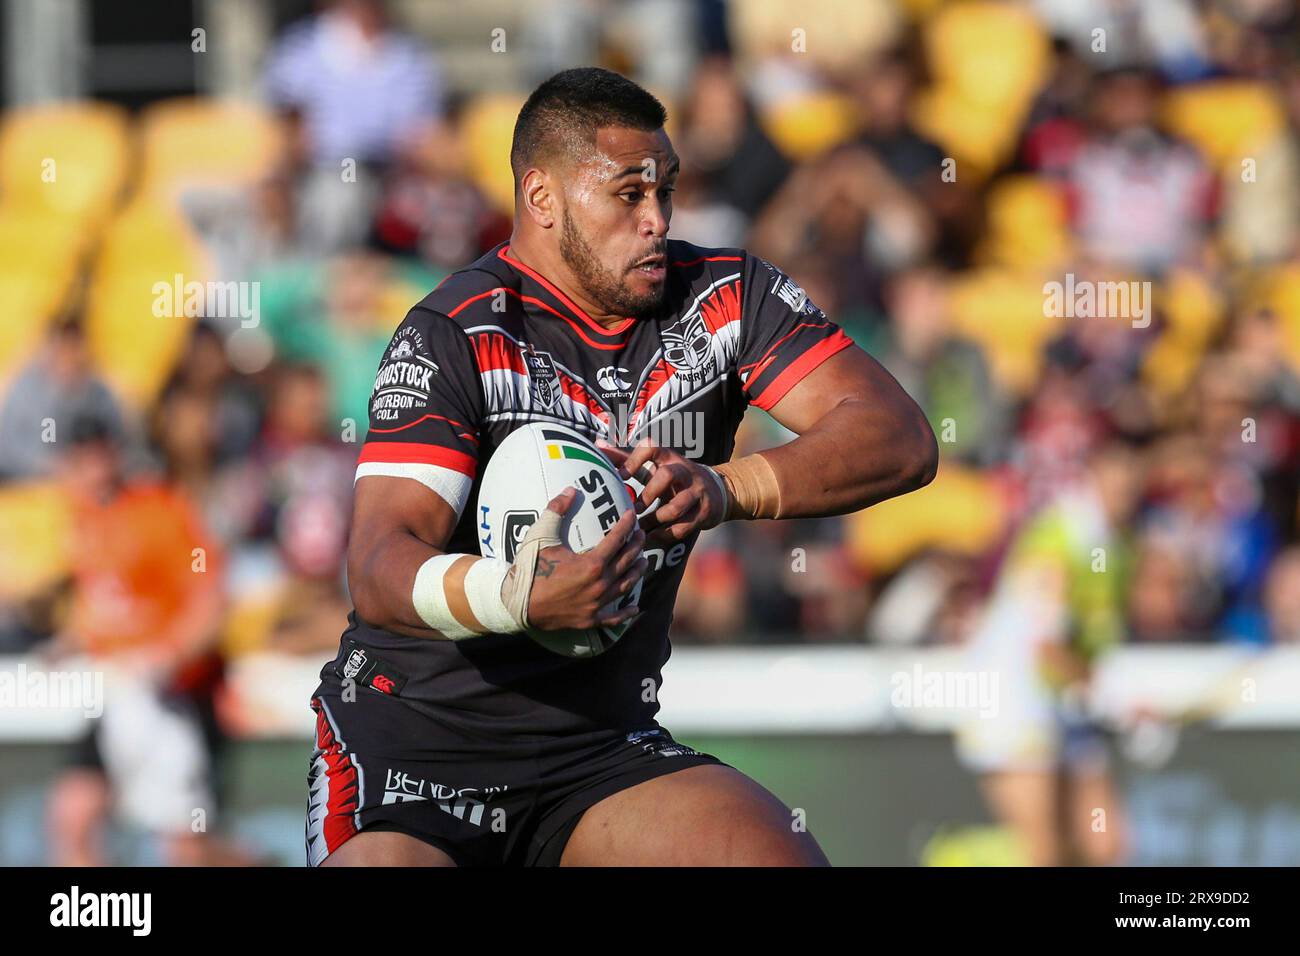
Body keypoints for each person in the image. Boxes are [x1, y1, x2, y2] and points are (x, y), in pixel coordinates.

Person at [306, 68, 937, 868]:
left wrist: (727, 485)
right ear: (543, 198)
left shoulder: (726, 298)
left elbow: (900, 435)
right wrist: (517, 596)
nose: (658, 221)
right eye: (628, 195)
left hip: (597, 751)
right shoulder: (453, 333)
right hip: (414, 755)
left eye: (666, 191)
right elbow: (376, 563)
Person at [43, 419, 249, 866]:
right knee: (74, 815)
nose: (93, 470)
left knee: (186, 845)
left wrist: (169, 657)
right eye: (81, 460)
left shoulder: (160, 510)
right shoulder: (82, 520)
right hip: (117, 695)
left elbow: (210, 599)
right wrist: (64, 647)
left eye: (100, 455)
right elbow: (108, 605)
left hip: (175, 698)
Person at [955, 442, 1140, 866]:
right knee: (1044, 851)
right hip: (1013, 702)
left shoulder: (1121, 544)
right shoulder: (1058, 537)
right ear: (1092, 478)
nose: (1124, 492)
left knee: (1104, 844)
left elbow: (1092, 641)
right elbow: (1045, 645)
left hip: (1066, 705)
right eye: (1115, 480)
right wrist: (1111, 700)